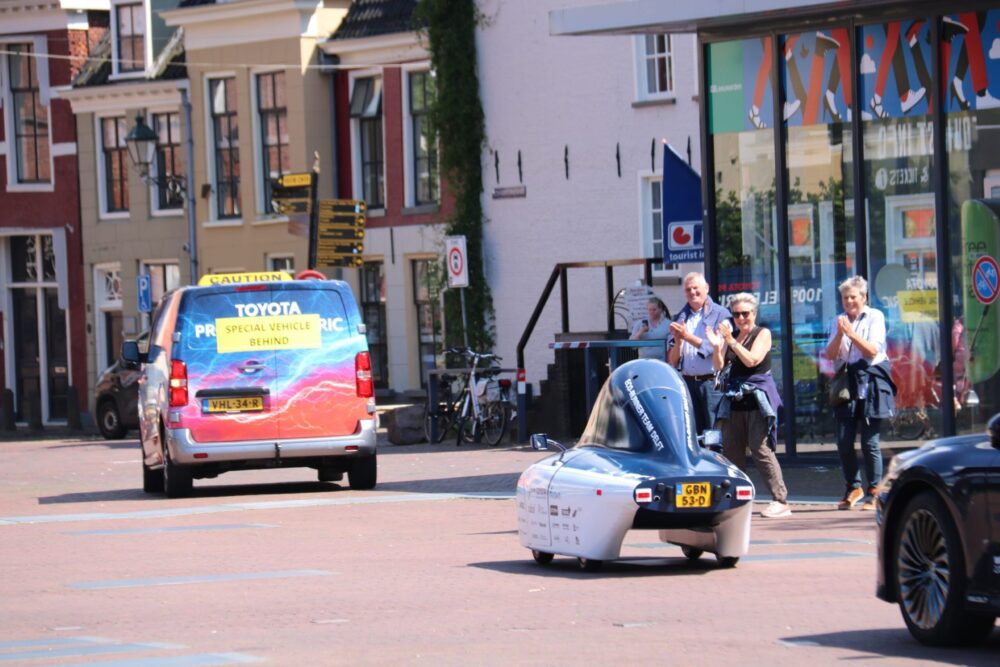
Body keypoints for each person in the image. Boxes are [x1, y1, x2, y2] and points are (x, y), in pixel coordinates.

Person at [706, 293, 790, 518]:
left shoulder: (762, 333)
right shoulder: (730, 336)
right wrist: (717, 347)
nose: (741, 318)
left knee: (760, 448)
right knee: (732, 450)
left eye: (745, 313)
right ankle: (739, 496)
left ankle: (780, 499)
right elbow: (719, 366)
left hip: (758, 400)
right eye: (736, 314)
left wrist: (731, 342)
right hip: (734, 400)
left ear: (754, 314)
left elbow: (752, 360)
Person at [824, 276, 896, 510]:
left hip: (872, 379)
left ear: (863, 297)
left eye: (853, 297)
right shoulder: (839, 320)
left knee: (869, 441)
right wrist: (839, 333)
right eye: (845, 298)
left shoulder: (875, 316)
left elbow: (872, 350)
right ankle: (853, 487)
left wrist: (852, 334)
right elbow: (832, 355)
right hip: (847, 382)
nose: (849, 301)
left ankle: (875, 489)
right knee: (844, 440)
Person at [668, 272, 732, 435]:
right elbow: (672, 361)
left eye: (695, 288)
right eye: (688, 290)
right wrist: (679, 341)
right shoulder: (680, 318)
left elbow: (713, 347)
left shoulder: (721, 314)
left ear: (706, 288)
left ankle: (717, 461)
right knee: (693, 434)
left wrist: (686, 336)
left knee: (714, 434)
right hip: (688, 383)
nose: (692, 293)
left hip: (711, 384)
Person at [629, 297, 670, 361]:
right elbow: (632, 346)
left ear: (660, 310)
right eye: (649, 310)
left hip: (662, 361)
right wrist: (640, 332)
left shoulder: (668, 324)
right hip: (644, 361)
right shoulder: (640, 323)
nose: (651, 312)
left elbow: (672, 344)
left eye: (654, 310)